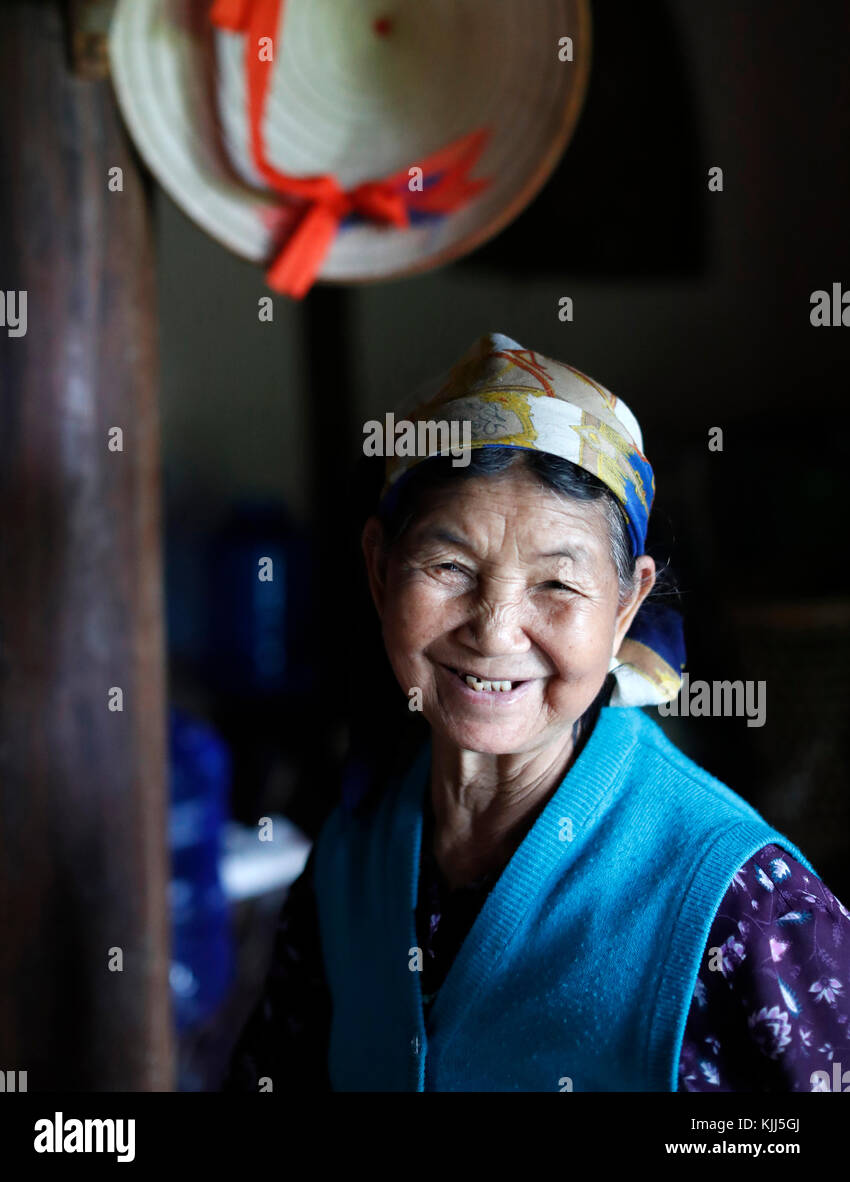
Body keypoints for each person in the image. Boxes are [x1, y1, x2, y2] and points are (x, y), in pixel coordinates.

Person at [223, 333, 850, 1092]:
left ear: (627, 604)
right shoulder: (355, 849)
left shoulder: (745, 905)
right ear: (380, 569)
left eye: (557, 585)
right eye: (449, 567)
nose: (493, 631)